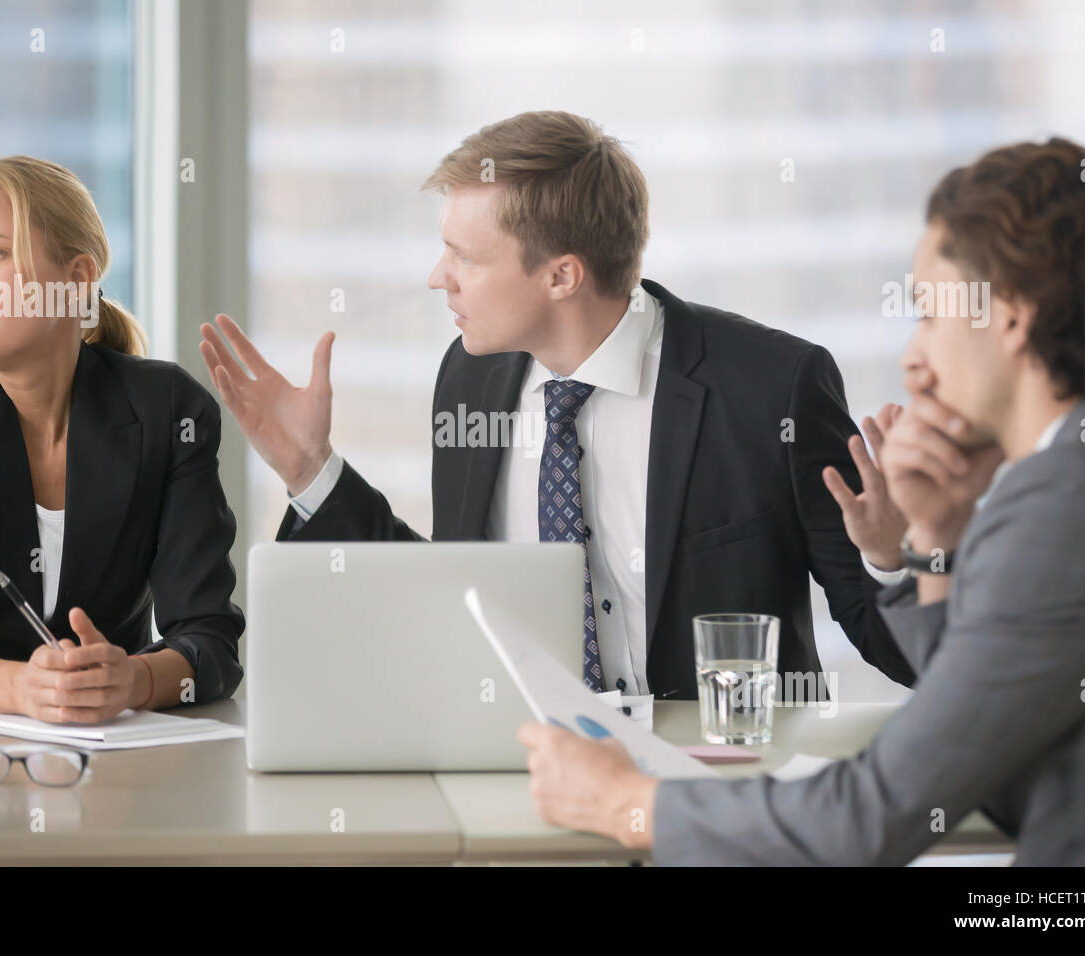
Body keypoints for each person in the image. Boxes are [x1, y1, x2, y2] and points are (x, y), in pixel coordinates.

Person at [518, 137, 1085, 866]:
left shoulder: (1074, 500)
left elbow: (870, 819)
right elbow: (982, 757)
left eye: (930, 315)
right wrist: (936, 541)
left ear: (1012, 317)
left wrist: (626, 803)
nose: (914, 356)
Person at [200, 110, 914, 702]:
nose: (436, 278)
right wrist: (310, 469)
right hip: (531, 785)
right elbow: (457, 597)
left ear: (562, 276)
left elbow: (901, 648)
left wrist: (890, 556)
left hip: (720, 800)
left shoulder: (773, 387)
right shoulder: (470, 380)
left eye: (465, 259)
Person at [0, 156, 245, 720]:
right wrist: (14, 690)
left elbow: (211, 643)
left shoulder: (167, 411)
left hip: (110, 772)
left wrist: (134, 680)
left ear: (76, 280)